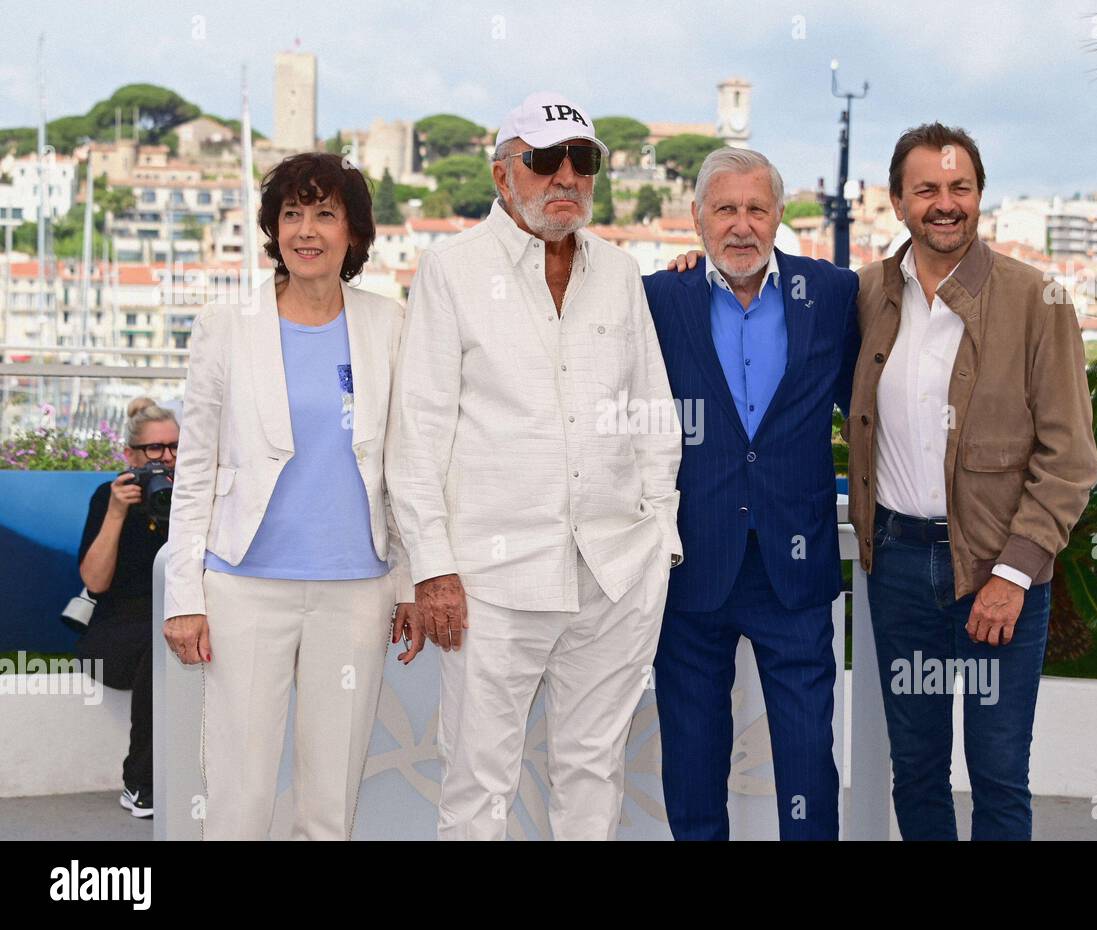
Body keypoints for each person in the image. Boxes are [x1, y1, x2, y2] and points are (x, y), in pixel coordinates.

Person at [387, 91, 682, 841]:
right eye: (544, 160)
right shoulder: (451, 271)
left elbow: (652, 412)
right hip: (491, 579)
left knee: (593, 769)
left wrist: (659, 543)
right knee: (479, 778)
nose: (566, 176)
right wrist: (432, 569)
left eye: (581, 160)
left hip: (613, 572)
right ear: (501, 174)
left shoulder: (618, 271)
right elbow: (417, 431)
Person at [846, 123, 1097, 840]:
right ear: (897, 202)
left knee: (996, 774)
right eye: (926, 189)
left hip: (999, 573)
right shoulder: (866, 295)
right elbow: (768, 298)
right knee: (917, 771)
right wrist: (691, 269)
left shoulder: (1037, 300)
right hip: (897, 567)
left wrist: (1013, 575)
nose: (945, 203)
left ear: (980, 196)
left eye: (960, 188)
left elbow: (1071, 455)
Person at [163, 152, 418, 840]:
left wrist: (408, 581)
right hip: (246, 587)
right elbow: (195, 470)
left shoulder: (389, 325)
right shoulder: (227, 325)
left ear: (355, 233)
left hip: (355, 590)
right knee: (238, 795)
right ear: (275, 229)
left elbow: (407, 464)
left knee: (329, 805)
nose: (308, 230)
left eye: (326, 214)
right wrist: (185, 595)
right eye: (293, 213)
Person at [643, 147, 860, 840]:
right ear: (697, 218)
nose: (741, 225)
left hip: (792, 570)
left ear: (781, 216)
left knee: (806, 760)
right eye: (725, 209)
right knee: (693, 758)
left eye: (756, 209)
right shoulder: (658, 298)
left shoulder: (830, 295)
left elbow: (873, 395)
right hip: (690, 566)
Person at [76, 396, 179, 818]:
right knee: (160, 647)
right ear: (131, 455)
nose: (166, 458)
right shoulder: (110, 496)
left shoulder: (193, 496)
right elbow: (95, 582)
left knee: (170, 640)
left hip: (176, 619)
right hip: (114, 633)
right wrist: (118, 512)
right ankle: (141, 783)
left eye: (175, 447)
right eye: (155, 449)